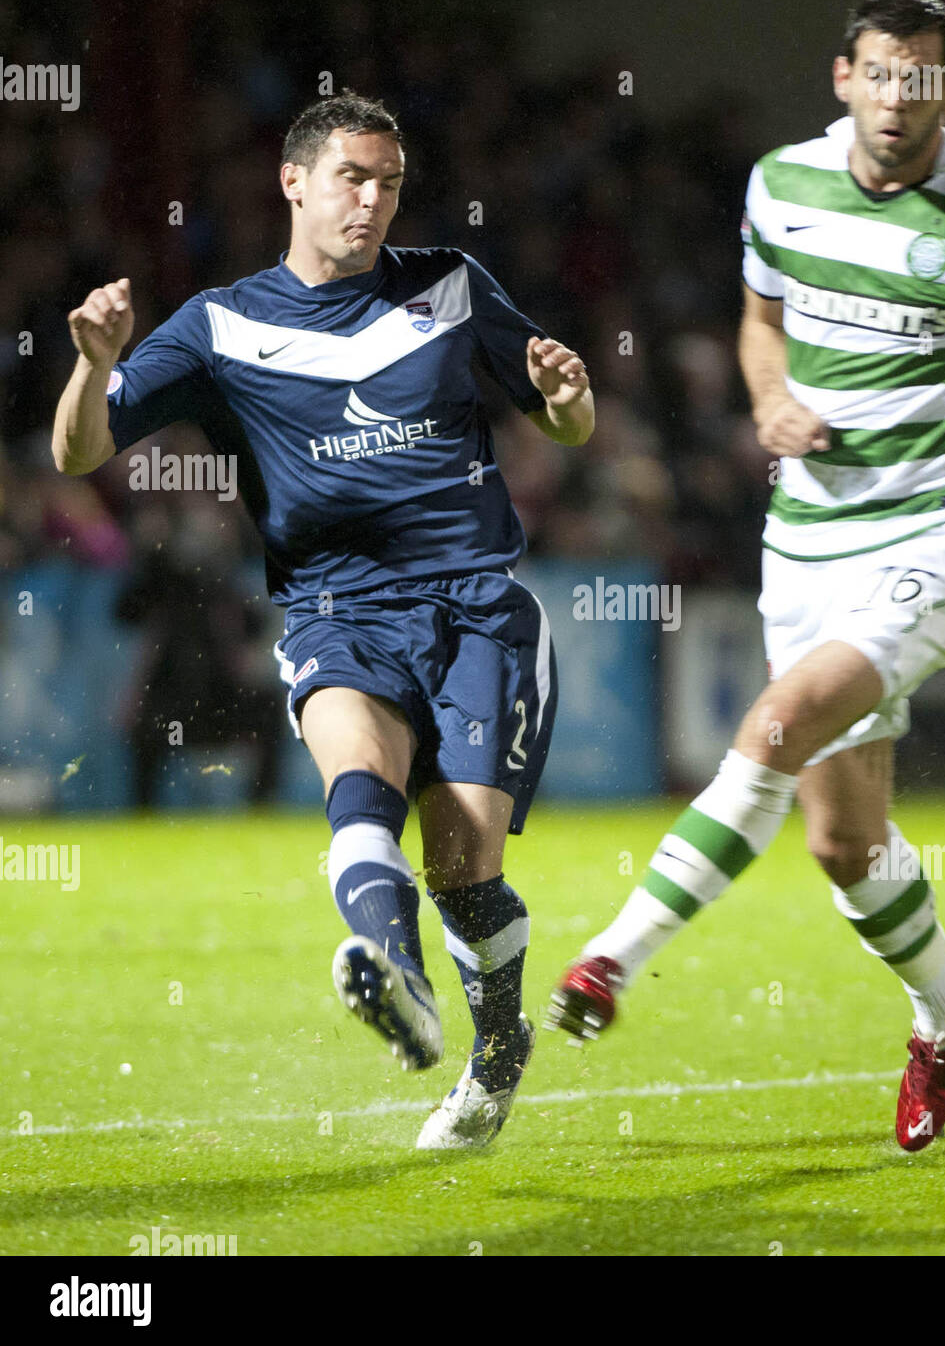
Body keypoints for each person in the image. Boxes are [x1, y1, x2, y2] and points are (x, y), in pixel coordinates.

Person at [549, 0, 945, 1152]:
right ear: (844, 76)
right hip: (806, 536)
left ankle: (611, 958)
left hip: (942, 533)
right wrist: (768, 400)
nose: (903, 99)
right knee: (842, 844)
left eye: (928, 80)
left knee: (776, 719)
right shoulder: (781, 185)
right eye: (884, 74)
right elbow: (761, 322)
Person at [52, 91, 594, 1150]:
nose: (374, 200)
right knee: (360, 792)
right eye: (354, 176)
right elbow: (78, 454)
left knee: (460, 868)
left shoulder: (448, 284)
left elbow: (565, 422)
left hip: (479, 607)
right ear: (293, 181)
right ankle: (399, 979)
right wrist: (92, 361)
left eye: (390, 182)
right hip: (337, 609)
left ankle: (495, 1054)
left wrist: (569, 398)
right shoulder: (219, 323)